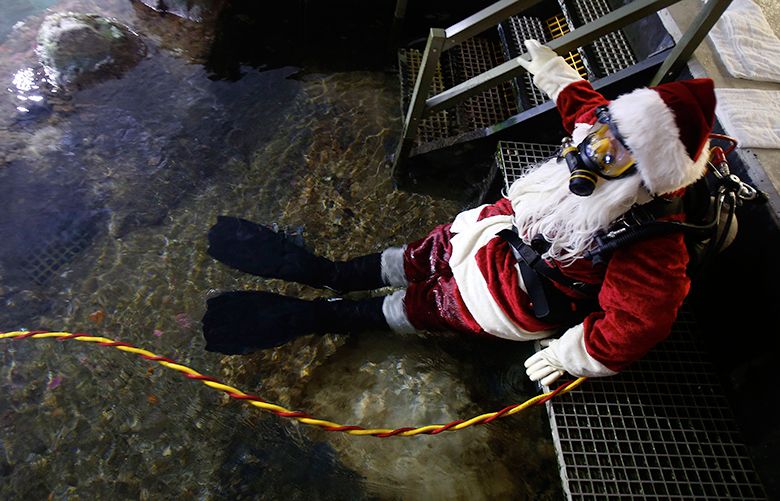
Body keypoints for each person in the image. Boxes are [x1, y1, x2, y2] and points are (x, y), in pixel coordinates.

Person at [201, 40, 717, 387]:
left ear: (648, 178)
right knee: (416, 258)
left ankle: (327, 314)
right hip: (479, 235)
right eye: (604, 130)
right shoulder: (602, 139)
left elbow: (638, 325)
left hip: (499, 299)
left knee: (427, 306)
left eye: (611, 151)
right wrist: (559, 77)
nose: (590, 149)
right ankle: (330, 275)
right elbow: (584, 108)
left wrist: (572, 353)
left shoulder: (651, 244)